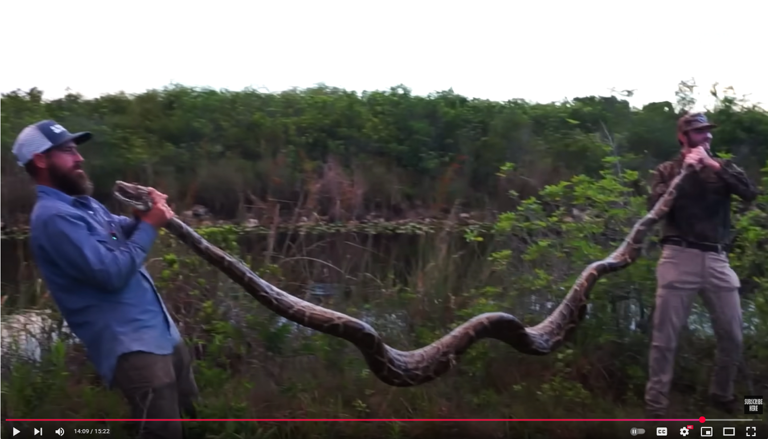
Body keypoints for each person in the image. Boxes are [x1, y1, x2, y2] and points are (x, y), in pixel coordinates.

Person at [12, 120, 199, 438]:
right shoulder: (53, 218)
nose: (79, 158)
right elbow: (110, 273)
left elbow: (121, 229)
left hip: (159, 333)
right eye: (68, 151)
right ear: (41, 160)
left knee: (194, 418)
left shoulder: (84, 206)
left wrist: (143, 214)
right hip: (133, 348)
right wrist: (150, 226)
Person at [644, 112, 758, 418]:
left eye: (708, 132)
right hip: (678, 257)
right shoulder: (668, 170)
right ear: (683, 137)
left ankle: (721, 394)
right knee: (665, 339)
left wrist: (712, 165)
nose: (706, 137)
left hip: (717, 258)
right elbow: (654, 208)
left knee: (733, 335)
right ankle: (656, 408)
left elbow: (749, 192)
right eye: (698, 132)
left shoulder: (723, 168)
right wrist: (686, 172)